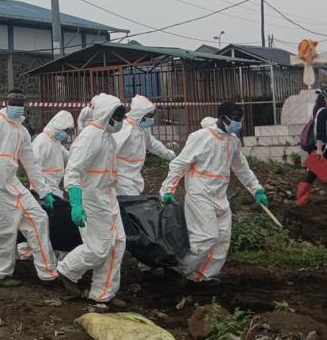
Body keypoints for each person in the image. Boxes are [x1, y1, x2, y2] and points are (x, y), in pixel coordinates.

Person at [160, 102, 268, 283]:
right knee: (206, 236)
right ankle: (178, 270)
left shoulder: (232, 141)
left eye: (239, 120)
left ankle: (202, 276)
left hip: (220, 195)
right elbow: (180, 163)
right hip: (199, 194)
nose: (238, 124)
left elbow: (241, 168)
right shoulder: (201, 137)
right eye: (235, 119)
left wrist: (256, 189)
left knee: (222, 239)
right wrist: (167, 189)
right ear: (223, 117)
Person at [0, 89, 58, 286]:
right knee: (2, 227)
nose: (17, 106)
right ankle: (0, 273)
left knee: (38, 218)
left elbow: (31, 163)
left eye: (20, 103)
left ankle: (48, 272)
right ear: (7, 103)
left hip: (11, 182)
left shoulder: (21, 131)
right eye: (14, 102)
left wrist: (45, 191)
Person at [55, 94, 128, 305]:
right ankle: (67, 269)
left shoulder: (107, 137)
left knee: (118, 245)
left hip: (107, 196)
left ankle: (103, 292)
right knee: (99, 247)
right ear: (106, 114)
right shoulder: (90, 136)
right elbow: (73, 172)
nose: (121, 121)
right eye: (118, 116)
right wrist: (76, 203)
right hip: (91, 197)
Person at [113, 95, 176, 196]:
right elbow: (110, 151)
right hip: (121, 175)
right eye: (149, 116)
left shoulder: (142, 128)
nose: (151, 119)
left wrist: (170, 155)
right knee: (130, 204)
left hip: (135, 174)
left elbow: (153, 144)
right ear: (140, 114)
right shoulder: (124, 129)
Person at [31, 110, 74, 198]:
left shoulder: (55, 142)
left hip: (54, 187)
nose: (65, 134)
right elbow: (33, 168)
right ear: (57, 127)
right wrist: (42, 190)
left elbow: (68, 156)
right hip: (45, 188)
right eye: (64, 130)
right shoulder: (42, 141)